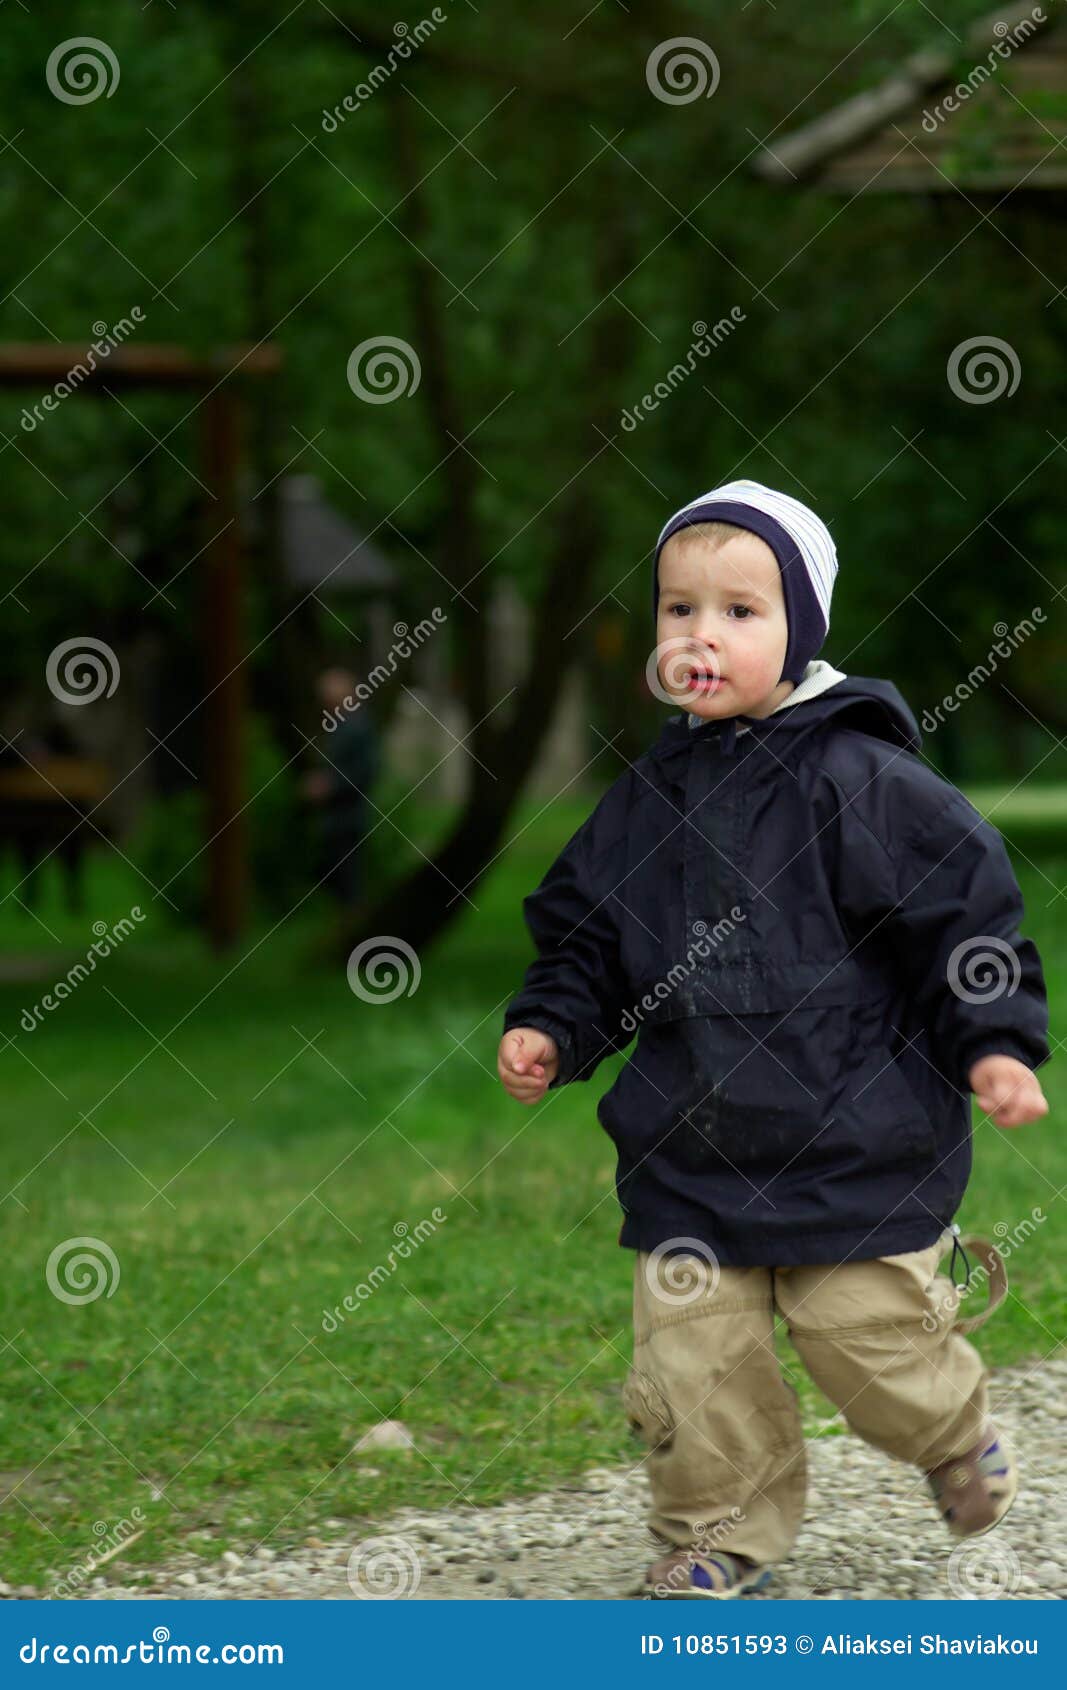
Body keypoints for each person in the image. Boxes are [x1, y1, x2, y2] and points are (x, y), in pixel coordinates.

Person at [497, 478, 1051, 1600]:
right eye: (675, 608)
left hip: (858, 1145)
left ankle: (948, 1432)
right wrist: (550, 1022)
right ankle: (714, 1529)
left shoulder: (865, 783)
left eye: (739, 612)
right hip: (689, 1154)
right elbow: (589, 938)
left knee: (868, 1345)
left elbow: (963, 921)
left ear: (800, 630)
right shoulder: (643, 803)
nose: (700, 633)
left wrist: (990, 1040)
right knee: (691, 1362)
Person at [302, 667, 380, 909]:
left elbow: (365, 772)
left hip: (348, 816)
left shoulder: (356, 727)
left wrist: (329, 786)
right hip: (337, 817)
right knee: (336, 875)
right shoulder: (342, 726)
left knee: (348, 878)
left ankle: (354, 923)